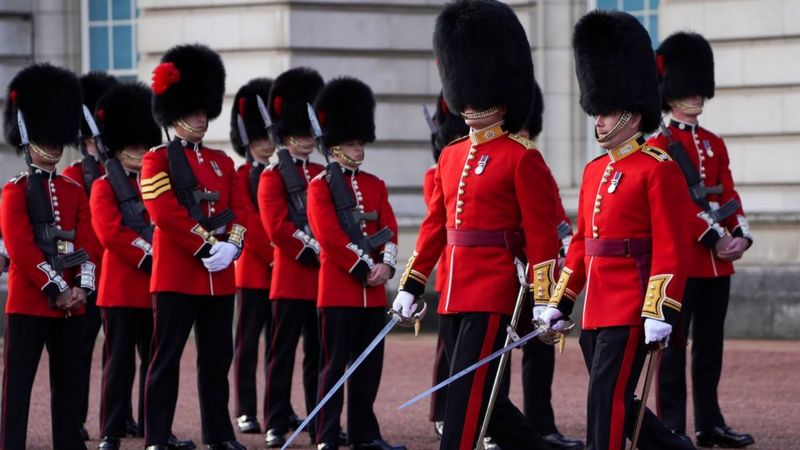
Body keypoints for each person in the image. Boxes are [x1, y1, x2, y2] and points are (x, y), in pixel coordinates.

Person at [392, 1, 562, 449]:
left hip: (492, 289)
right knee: (469, 388)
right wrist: (411, 285)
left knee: (466, 395)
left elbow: (543, 236)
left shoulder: (522, 157)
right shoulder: (450, 155)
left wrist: (547, 300)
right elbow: (434, 228)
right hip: (451, 288)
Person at [538, 10, 696, 450]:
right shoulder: (593, 172)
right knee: (614, 398)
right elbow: (583, 245)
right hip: (595, 308)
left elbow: (671, 246)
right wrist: (561, 300)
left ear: (630, 113)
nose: (599, 121)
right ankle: (669, 445)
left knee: (604, 398)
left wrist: (659, 310)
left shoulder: (657, 169)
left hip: (632, 301)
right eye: (597, 112)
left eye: (606, 114)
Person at [647, 31, 755, 449]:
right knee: (673, 347)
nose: (696, 97)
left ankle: (710, 423)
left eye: (698, 90)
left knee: (710, 348)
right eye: (687, 90)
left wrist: (740, 237)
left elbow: (727, 192)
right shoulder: (660, 145)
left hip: (718, 263)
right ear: (671, 93)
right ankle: (672, 426)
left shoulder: (713, 143)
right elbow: (675, 204)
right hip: (684, 261)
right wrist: (713, 237)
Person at [142, 43, 248, 450]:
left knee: (217, 362)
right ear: (174, 114)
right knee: (165, 361)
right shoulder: (157, 160)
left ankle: (219, 436)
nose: (200, 118)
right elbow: (164, 212)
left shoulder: (224, 162)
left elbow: (241, 212)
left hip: (220, 279)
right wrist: (206, 247)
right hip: (177, 274)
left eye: (204, 111)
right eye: (192, 111)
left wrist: (232, 248)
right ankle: (157, 437)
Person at [89, 82, 191, 450]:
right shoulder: (104, 186)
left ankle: (156, 430)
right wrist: (151, 255)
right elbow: (111, 234)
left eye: (141, 145)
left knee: (156, 364)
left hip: (155, 288)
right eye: (131, 147)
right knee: (119, 366)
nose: (138, 152)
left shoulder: (158, 182)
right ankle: (112, 431)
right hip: (121, 289)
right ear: (117, 149)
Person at [0, 63, 95, 450]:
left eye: (58, 139)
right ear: (29, 138)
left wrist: (82, 289)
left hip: (71, 305)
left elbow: (88, 243)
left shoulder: (74, 190)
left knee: (69, 389)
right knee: (17, 387)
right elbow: (21, 247)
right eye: (47, 137)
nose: (54, 147)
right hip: (29, 303)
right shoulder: (14, 191)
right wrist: (56, 287)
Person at [307, 77, 405, 450]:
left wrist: (387, 266)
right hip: (339, 291)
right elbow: (329, 235)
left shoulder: (375, 184)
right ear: (335, 146)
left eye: (361, 142)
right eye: (352, 142)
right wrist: (365, 267)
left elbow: (390, 228)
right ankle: (326, 434)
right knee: (333, 369)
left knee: (368, 370)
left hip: (373, 294)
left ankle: (366, 434)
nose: (359, 148)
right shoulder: (320, 186)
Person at [257, 67, 327, 448]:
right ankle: (276, 420)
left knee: (318, 356)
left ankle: (319, 420)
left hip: (322, 280)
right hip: (291, 276)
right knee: (281, 355)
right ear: (285, 135)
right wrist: (313, 248)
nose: (307, 140)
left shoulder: (322, 172)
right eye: (300, 134)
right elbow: (277, 227)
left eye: (309, 133)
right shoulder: (272, 176)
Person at [519, 82, 584, 450]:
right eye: (522, 133)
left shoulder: (539, 168)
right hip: (510, 272)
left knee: (541, 353)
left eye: (530, 133)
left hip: (542, 276)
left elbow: (556, 218)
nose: (526, 139)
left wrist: (562, 250)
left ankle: (540, 425)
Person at [63, 71, 119, 441]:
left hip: (116, 274)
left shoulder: (120, 173)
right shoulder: (71, 175)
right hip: (85, 273)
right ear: (85, 140)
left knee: (119, 354)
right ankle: (75, 417)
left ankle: (122, 418)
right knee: (78, 353)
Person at [228, 77, 286, 434]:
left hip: (283, 271)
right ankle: (246, 409)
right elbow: (246, 219)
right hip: (253, 269)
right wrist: (276, 253)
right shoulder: (239, 176)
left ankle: (277, 408)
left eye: (269, 138)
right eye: (260, 138)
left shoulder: (283, 174)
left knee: (278, 348)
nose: (266, 145)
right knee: (248, 345)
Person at [424, 92, 468, 439]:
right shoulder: (436, 172)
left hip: (473, 275)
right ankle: (441, 409)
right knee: (446, 352)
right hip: (449, 271)